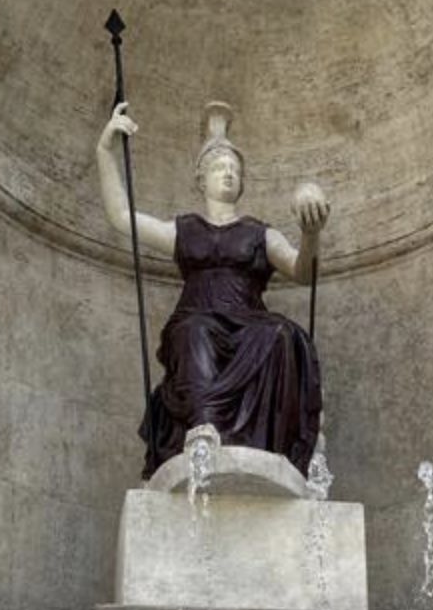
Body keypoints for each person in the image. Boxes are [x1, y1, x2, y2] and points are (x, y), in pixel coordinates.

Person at [96, 101, 330, 478]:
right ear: (200, 179)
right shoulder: (185, 230)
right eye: (219, 167)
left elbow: (304, 272)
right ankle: (203, 428)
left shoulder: (260, 233)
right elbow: (122, 217)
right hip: (198, 319)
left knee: (281, 335)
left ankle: (273, 447)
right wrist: (104, 150)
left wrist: (311, 232)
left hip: (248, 321)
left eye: (234, 169)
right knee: (195, 331)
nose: (228, 174)